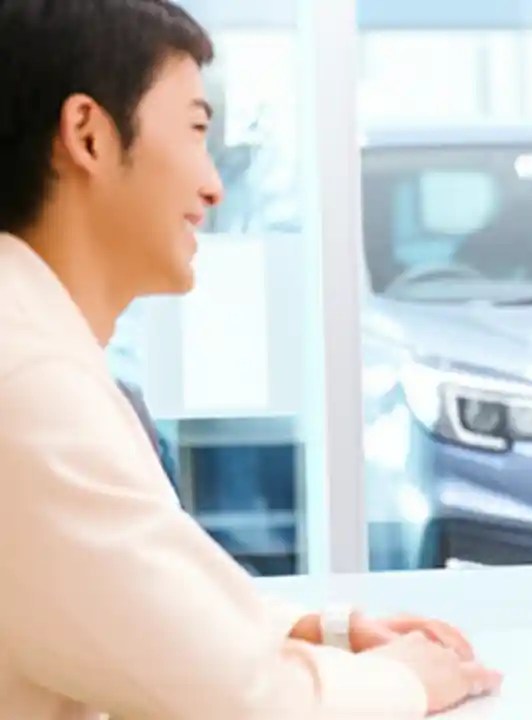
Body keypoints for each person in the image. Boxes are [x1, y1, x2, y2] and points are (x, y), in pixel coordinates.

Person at [0, 2, 500, 718]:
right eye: (197, 130)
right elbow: (243, 704)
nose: (213, 185)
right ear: (89, 135)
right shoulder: (27, 382)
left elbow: (111, 594)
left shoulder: (30, 340)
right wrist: (412, 678)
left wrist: (313, 630)